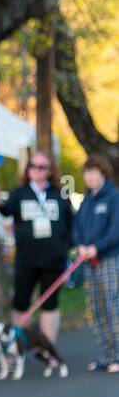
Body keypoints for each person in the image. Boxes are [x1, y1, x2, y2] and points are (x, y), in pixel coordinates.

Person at [0, 150, 74, 343]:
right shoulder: (19, 193)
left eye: (42, 167)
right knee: (21, 302)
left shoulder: (59, 194)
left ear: (49, 170)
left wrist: (66, 247)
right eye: (34, 166)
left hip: (53, 260)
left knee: (50, 304)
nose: (37, 170)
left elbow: (70, 222)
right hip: (26, 259)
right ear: (28, 169)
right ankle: (17, 346)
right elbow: (6, 210)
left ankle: (48, 350)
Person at [73, 155, 119, 373]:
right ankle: (106, 355)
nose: (90, 177)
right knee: (96, 309)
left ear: (103, 173)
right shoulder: (86, 201)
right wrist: (80, 245)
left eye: (94, 172)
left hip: (109, 259)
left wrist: (97, 247)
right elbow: (77, 227)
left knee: (114, 306)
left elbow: (115, 230)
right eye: (87, 173)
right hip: (89, 263)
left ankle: (118, 356)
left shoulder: (113, 197)